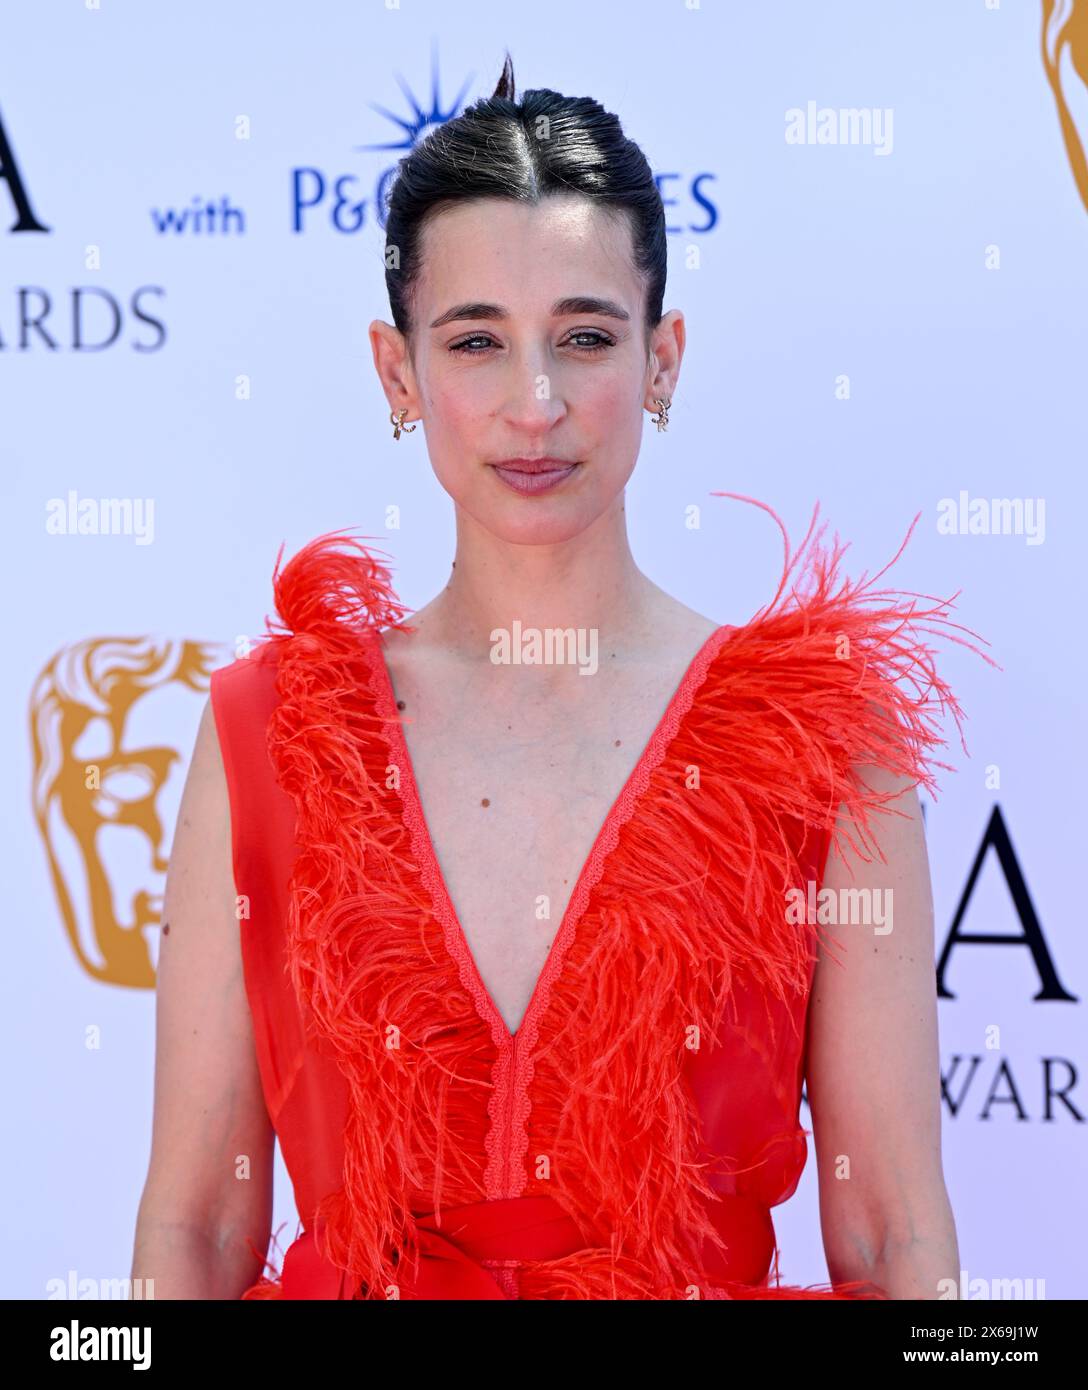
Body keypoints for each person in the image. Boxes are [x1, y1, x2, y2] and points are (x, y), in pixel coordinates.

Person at [131, 54, 989, 1300]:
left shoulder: (824, 743)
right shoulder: (269, 733)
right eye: (475, 341)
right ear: (396, 373)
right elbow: (197, 1230)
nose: (534, 405)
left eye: (583, 337)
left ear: (661, 360)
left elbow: (893, 1236)